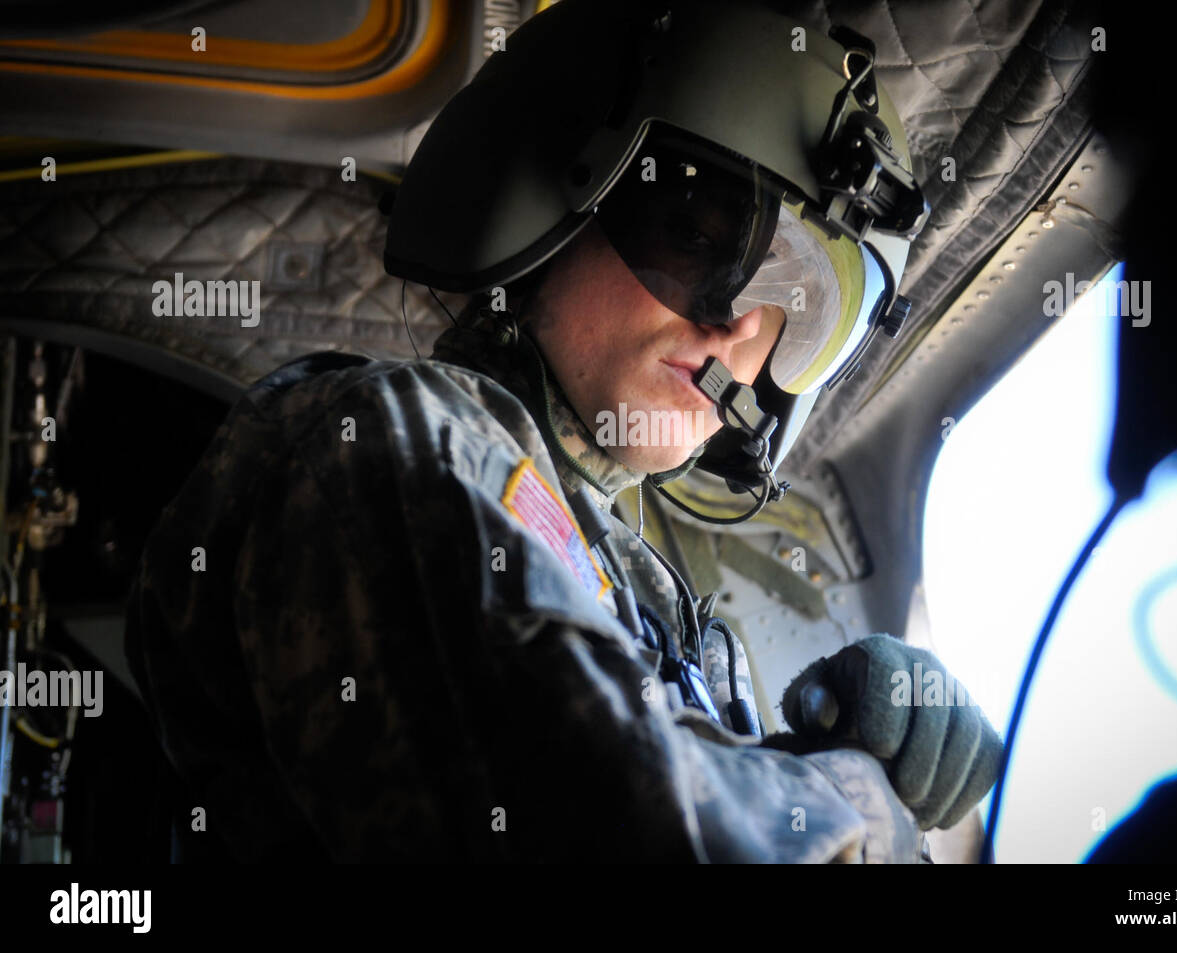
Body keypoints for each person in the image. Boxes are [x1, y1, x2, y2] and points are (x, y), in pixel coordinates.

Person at [125, 0, 1002, 863]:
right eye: (700, 233)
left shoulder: (660, 601)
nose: (742, 329)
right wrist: (862, 803)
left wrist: (833, 753)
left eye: (797, 308)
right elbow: (607, 817)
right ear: (561, 195)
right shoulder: (382, 436)